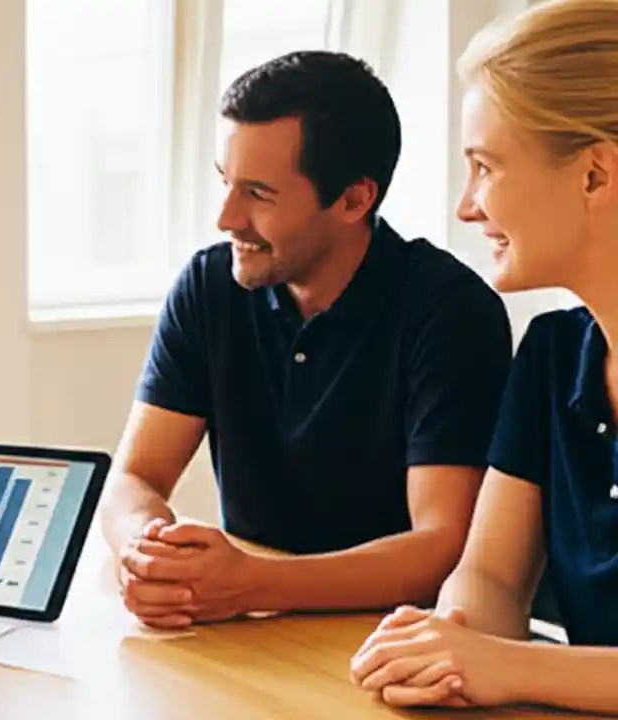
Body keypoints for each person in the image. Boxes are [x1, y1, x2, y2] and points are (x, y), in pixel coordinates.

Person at [99, 50, 513, 629]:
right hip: (245, 632)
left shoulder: (452, 312)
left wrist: (251, 583)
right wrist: (145, 552)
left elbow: (441, 545)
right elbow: (133, 477)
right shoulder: (208, 286)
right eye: (225, 182)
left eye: (258, 194)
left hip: (386, 639)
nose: (226, 217)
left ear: (354, 200)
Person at [349, 1, 618, 713]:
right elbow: (493, 575)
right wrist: (449, 642)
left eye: (485, 168)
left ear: (595, 175)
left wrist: (508, 665)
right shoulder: (553, 355)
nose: (467, 207)